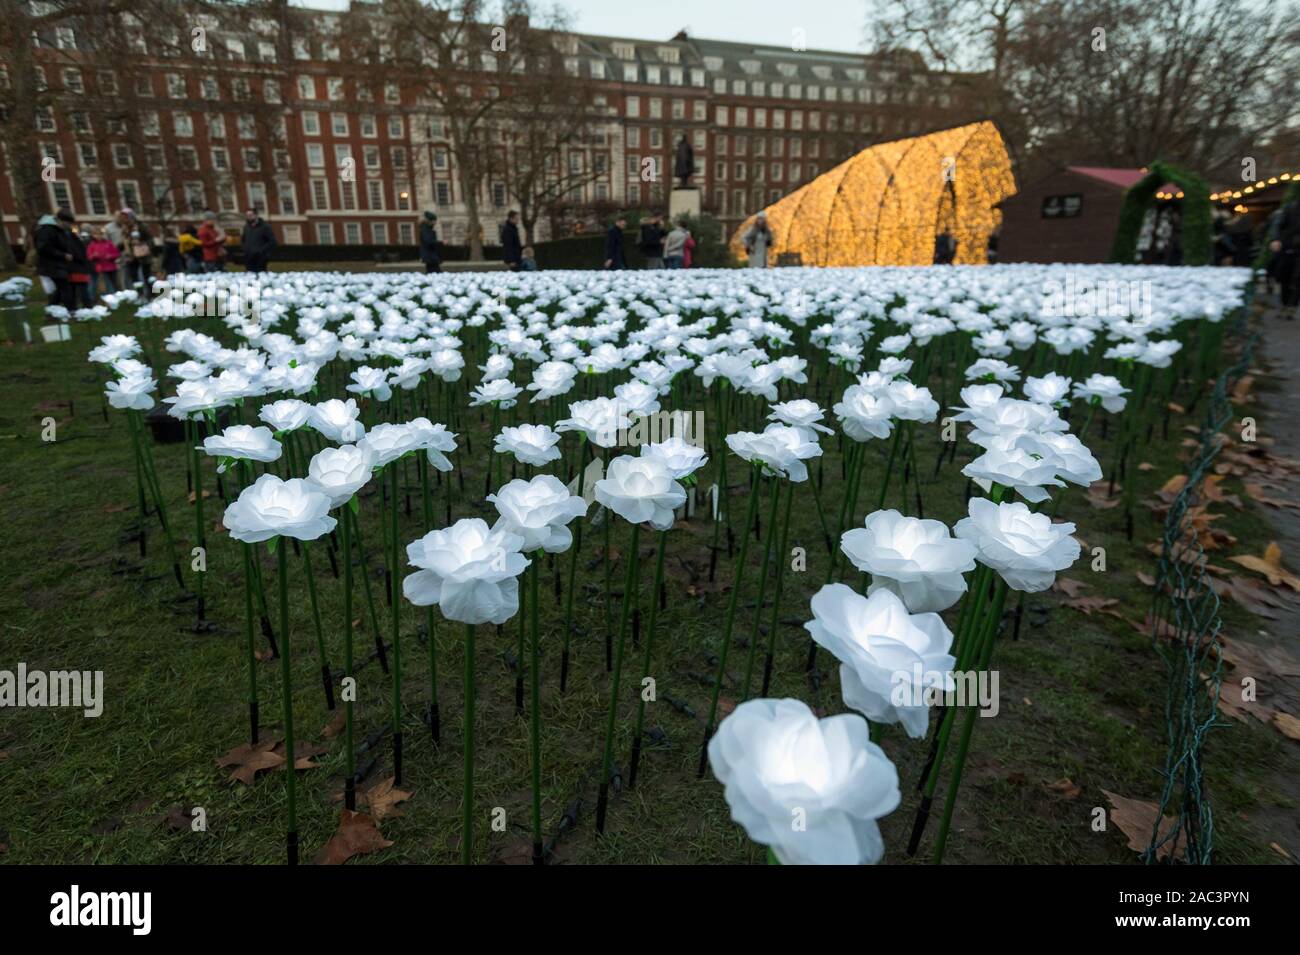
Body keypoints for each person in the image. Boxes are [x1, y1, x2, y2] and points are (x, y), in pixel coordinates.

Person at [34, 208, 76, 309]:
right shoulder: (47, 230)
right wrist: (62, 255)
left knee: (61, 289)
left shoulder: (59, 230)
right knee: (65, 287)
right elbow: (43, 248)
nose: (69, 226)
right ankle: (70, 310)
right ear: (60, 220)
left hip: (59, 264)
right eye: (67, 223)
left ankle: (52, 310)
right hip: (51, 265)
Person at [87, 227, 122, 295]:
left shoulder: (109, 243)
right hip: (101, 268)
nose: (98, 236)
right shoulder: (91, 245)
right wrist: (94, 256)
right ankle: (110, 299)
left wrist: (111, 256)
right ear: (93, 235)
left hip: (112, 267)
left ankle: (116, 298)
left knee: (115, 283)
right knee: (107, 285)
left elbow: (117, 253)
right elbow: (89, 257)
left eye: (100, 234)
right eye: (96, 234)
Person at [240, 208, 277, 273]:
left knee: (260, 276)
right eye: (247, 215)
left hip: (260, 258)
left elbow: (272, 242)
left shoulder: (265, 227)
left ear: (256, 215)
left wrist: (261, 251)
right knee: (249, 276)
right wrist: (244, 248)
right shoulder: (246, 227)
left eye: (251, 215)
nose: (248, 217)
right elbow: (243, 240)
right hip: (248, 257)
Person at [68, 222, 94, 308]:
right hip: (78, 267)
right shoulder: (75, 241)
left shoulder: (75, 240)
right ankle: (86, 305)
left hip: (78, 267)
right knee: (81, 289)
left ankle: (82, 306)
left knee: (79, 289)